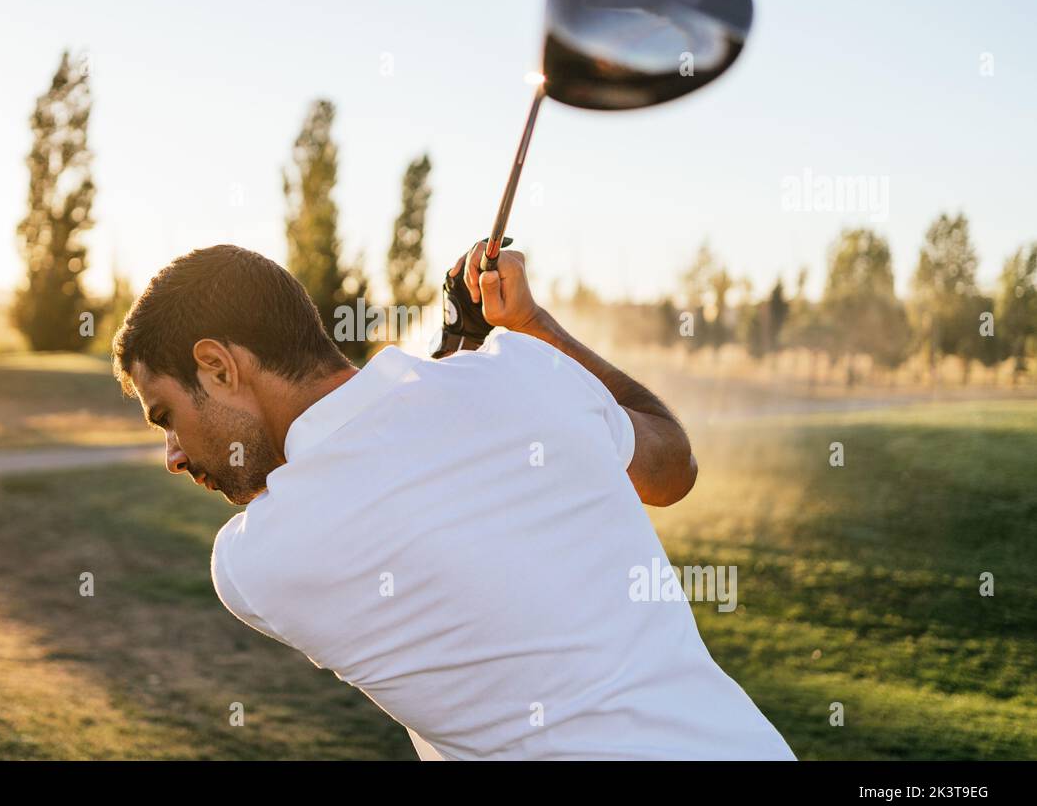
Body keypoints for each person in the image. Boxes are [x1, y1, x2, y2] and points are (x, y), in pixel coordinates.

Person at [112, 242, 794, 760]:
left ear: (220, 367)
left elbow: (379, 465)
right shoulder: (525, 377)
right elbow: (672, 464)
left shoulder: (255, 564)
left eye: (165, 414)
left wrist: (459, 348)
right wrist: (528, 326)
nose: (173, 454)